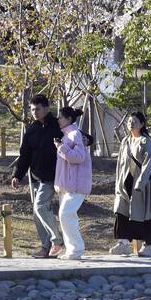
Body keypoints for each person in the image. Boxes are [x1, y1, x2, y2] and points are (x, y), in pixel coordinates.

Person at [11, 94, 62, 258]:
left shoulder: (58, 125)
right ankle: (46, 248)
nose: (35, 112)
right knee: (37, 212)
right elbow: (24, 155)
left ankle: (57, 240)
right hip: (35, 177)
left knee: (40, 206)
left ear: (47, 108)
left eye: (38, 109)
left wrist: (86, 140)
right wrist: (17, 175)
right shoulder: (31, 129)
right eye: (32, 109)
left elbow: (79, 136)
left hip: (53, 176)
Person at [112, 111, 151, 257]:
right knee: (121, 211)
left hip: (142, 185)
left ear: (142, 124)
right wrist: (118, 182)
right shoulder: (125, 141)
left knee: (145, 214)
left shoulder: (146, 142)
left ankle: (149, 246)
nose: (131, 123)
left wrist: (140, 183)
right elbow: (120, 163)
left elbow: (148, 164)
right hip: (125, 183)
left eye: (135, 121)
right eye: (130, 121)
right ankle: (123, 243)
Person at [55, 105, 92, 260]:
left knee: (66, 214)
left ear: (68, 119)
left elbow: (78, 157)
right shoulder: (68, 135)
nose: (58, 120)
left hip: (76, 184)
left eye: (60, 117)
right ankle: (72, 250)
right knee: (67, 216)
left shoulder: (75, 134)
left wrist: (61, 148)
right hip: (68, 184)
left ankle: (76, 249)